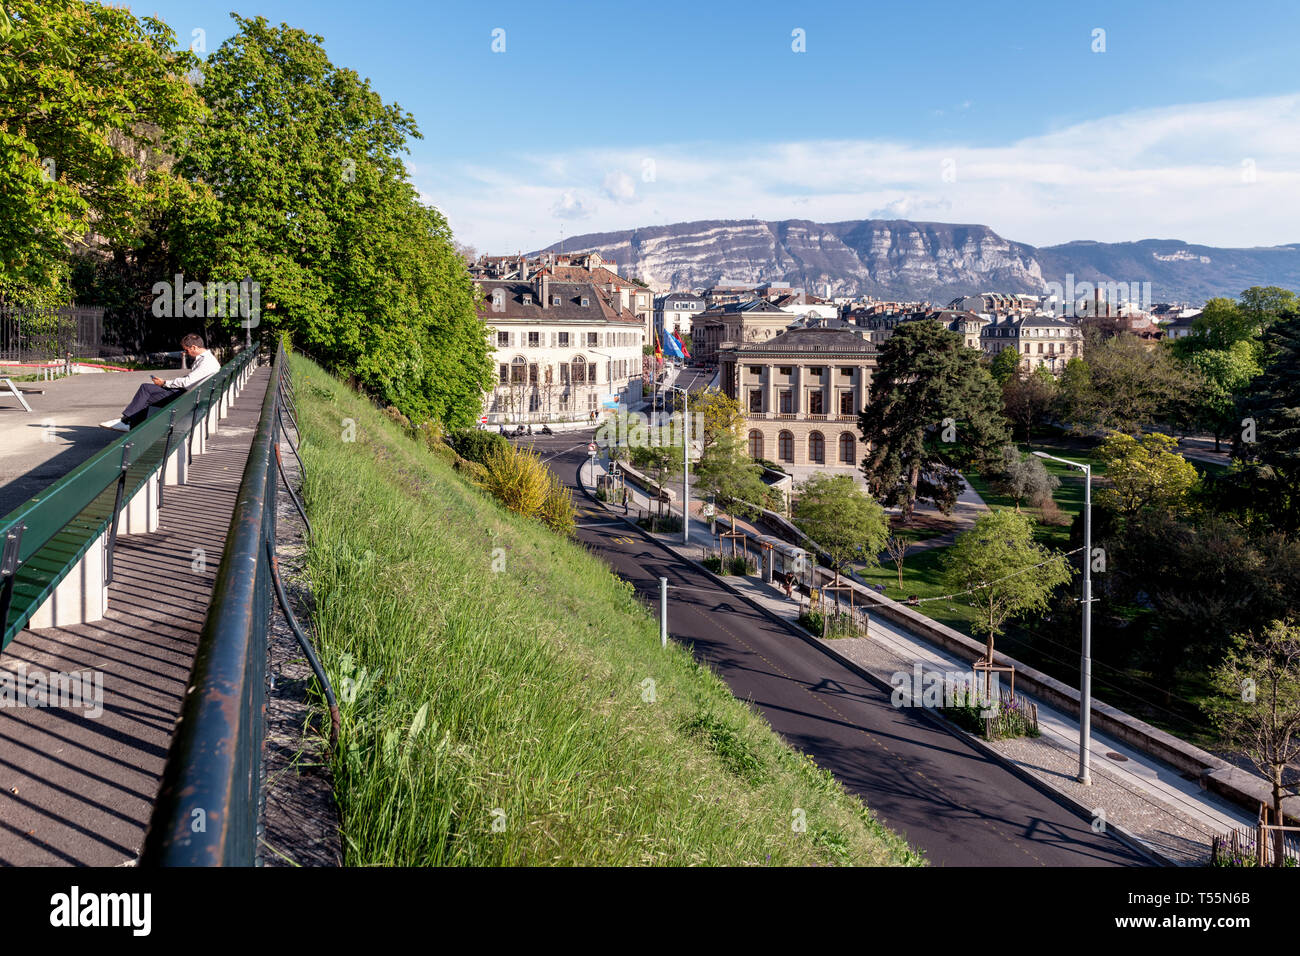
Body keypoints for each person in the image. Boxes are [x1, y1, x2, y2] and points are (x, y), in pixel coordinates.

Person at [100, 334, 221, 431]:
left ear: (194, 347)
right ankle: (130, 424)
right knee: (146, 390)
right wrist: (166, 383)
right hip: (192, 394)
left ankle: (128, 423)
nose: (186, 353)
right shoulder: (206, 359)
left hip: (188, 397)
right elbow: (191, 380)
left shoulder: (206, 362)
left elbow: (187, 382)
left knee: (146, 391)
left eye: (187, 350)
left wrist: (164, 383)